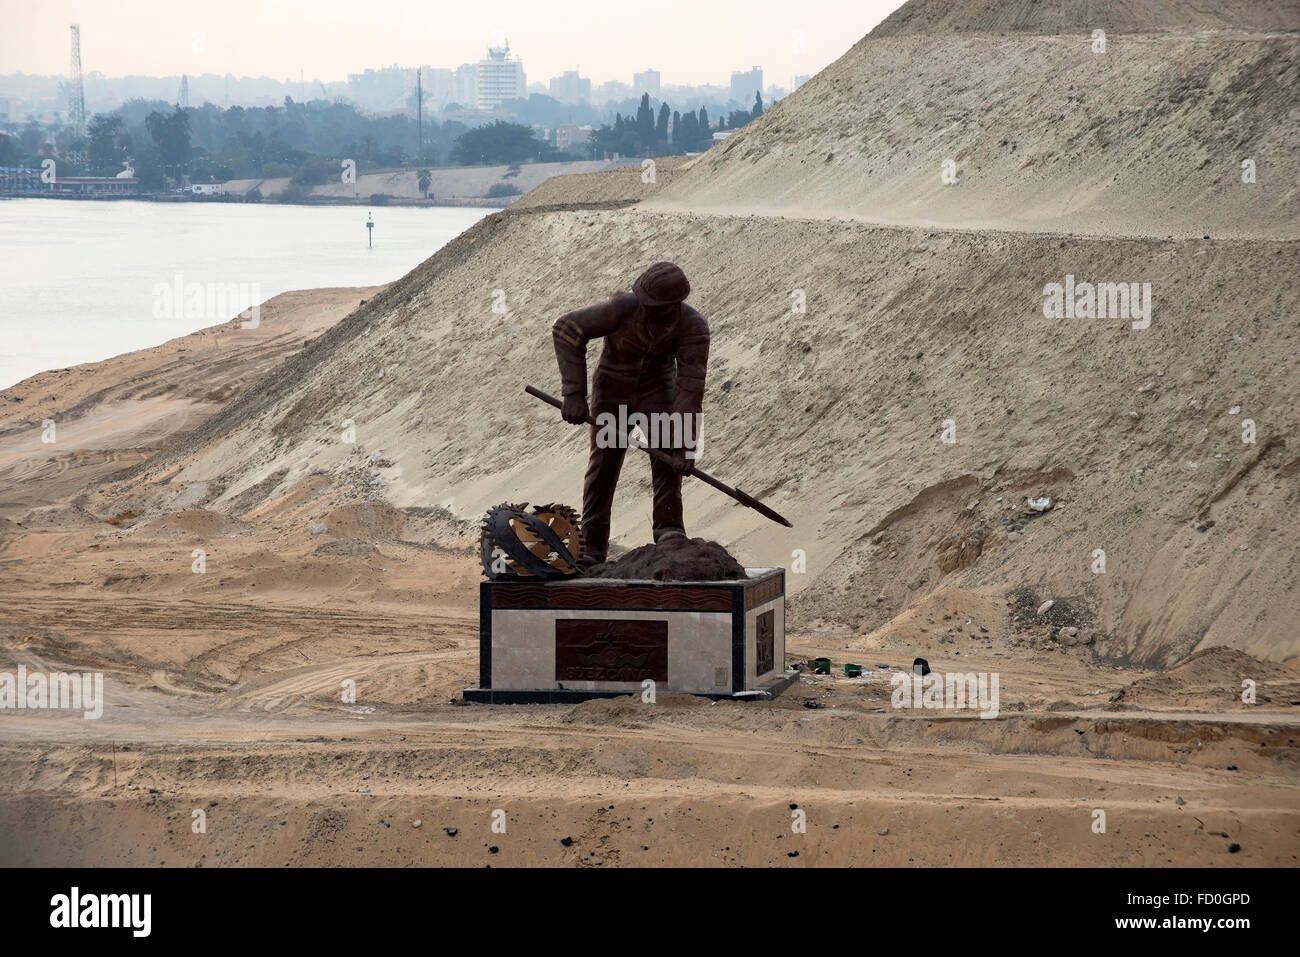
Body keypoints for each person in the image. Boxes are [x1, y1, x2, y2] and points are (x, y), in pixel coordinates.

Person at [551, 261, 710, 567]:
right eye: (644, 302)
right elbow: (567, 329)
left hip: (658, 392)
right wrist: (573, 392)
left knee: (669, 459)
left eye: (654, 306)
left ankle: (669, 530)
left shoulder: (694, 327)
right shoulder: (622, 307)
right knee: (603, 467)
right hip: (612, 392)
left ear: (674, 305)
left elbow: (691, 388)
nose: (645, 309)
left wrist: (686, 444)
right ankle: (593, 546)